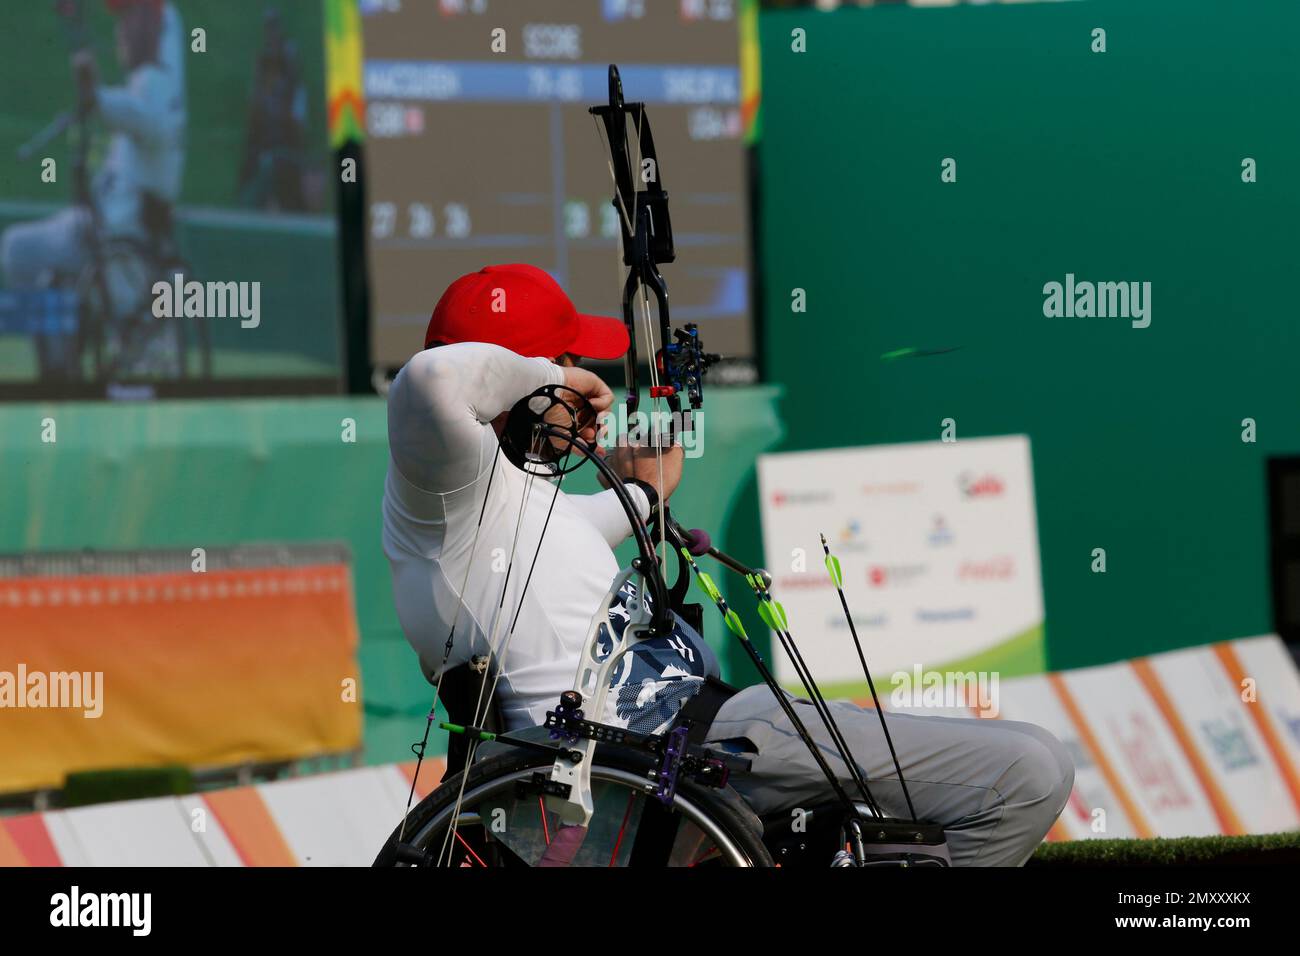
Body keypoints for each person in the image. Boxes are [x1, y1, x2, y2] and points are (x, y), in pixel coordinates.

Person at [383, 263, 1074, 866]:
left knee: (1014, 759)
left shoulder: (500, 505)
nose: (591, 394)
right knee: (1029, 772)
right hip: (662, 758)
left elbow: (580, 524)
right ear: (521, 386)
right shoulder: (443, 487)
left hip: (691, 743)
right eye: (573, 363)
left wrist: (645, 491)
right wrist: (558, 375)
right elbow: (433, 377)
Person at [0, 0, 185, 376]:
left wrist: (98, 98)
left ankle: (59, 371)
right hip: (105, 236)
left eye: (127, 18)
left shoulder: (157, 82)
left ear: (153, 21)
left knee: (18, 249)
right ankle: (65, 347)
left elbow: (148, 121)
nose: (119, 31)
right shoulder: (150, 82)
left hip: (110, 242)